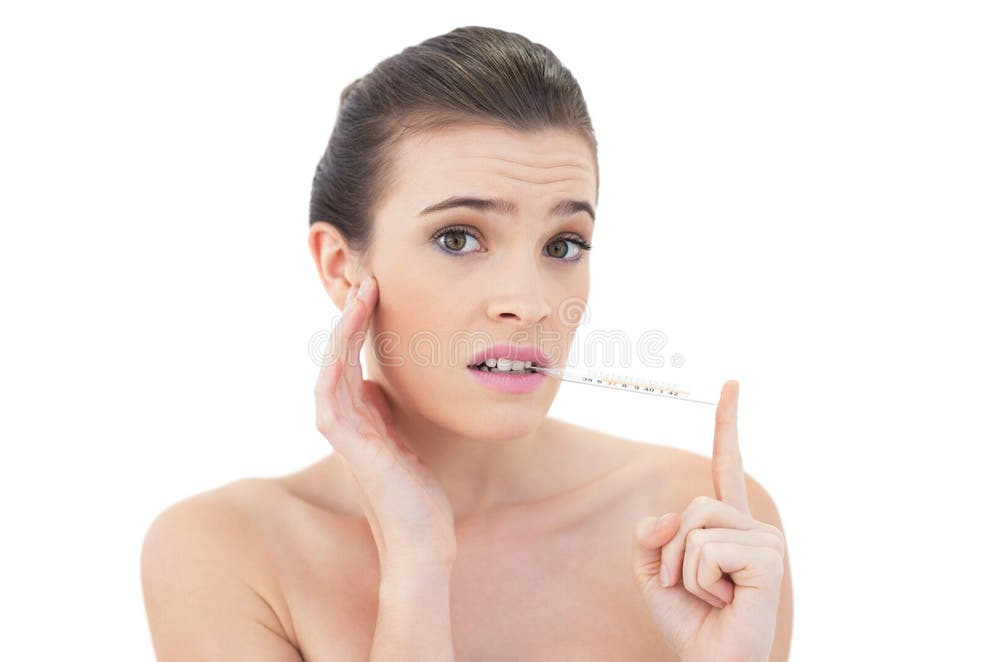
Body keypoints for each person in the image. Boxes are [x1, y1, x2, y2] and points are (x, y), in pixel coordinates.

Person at [141, 25, 793, 661]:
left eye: (562, 245)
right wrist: (416, 565)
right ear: (341, 267)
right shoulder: (224, 552)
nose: (531, 303)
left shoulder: (704, 530)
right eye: (458, 238)